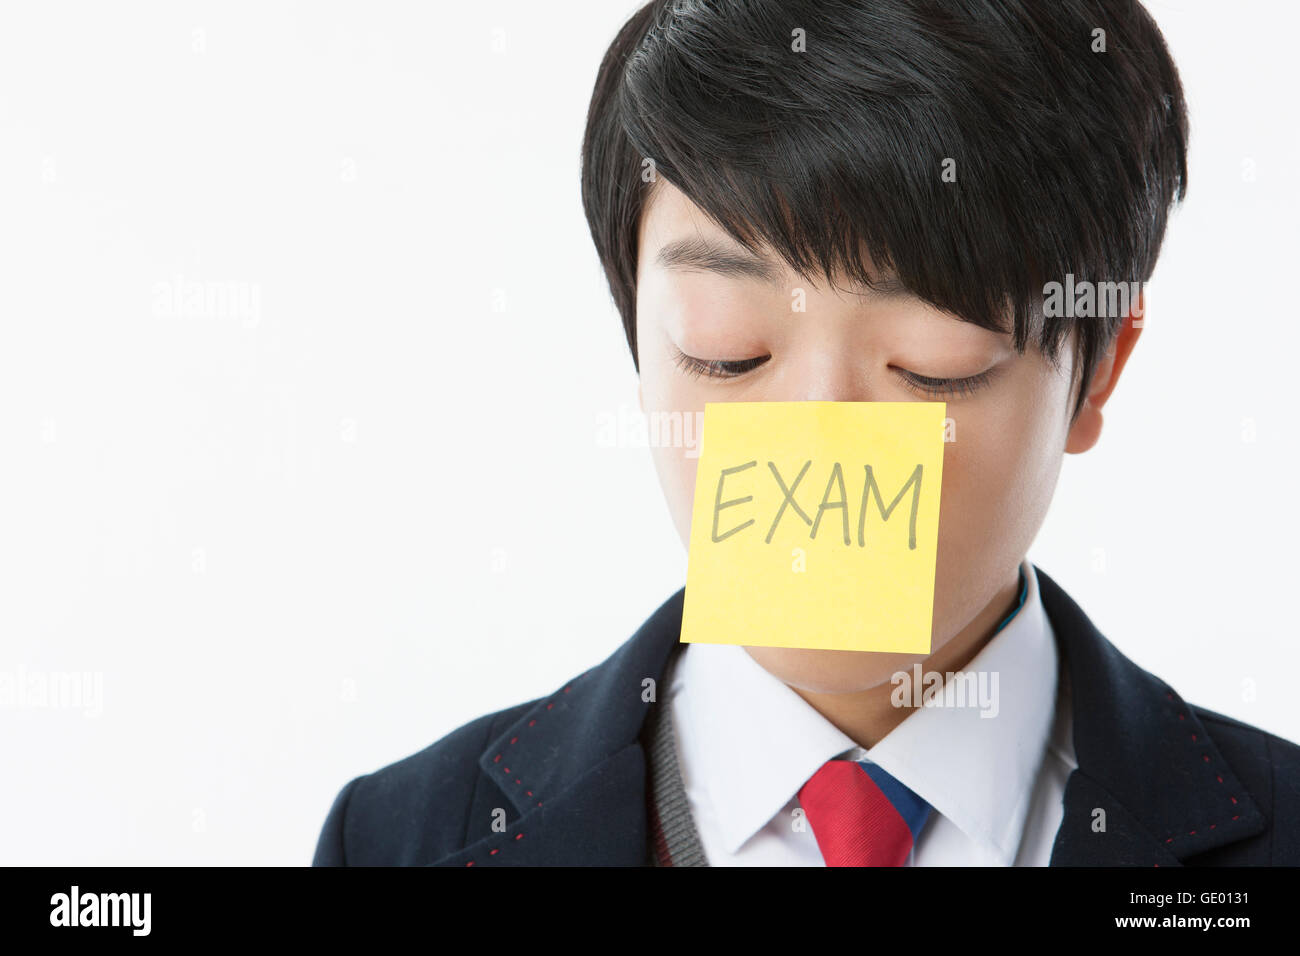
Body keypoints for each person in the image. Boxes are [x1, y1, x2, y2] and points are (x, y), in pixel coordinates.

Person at [312, 0, 1300, 866]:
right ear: (639, 335)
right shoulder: (404, 838)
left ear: (1098, 370)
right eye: (727, 351)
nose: (816, 434)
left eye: (931, 359)